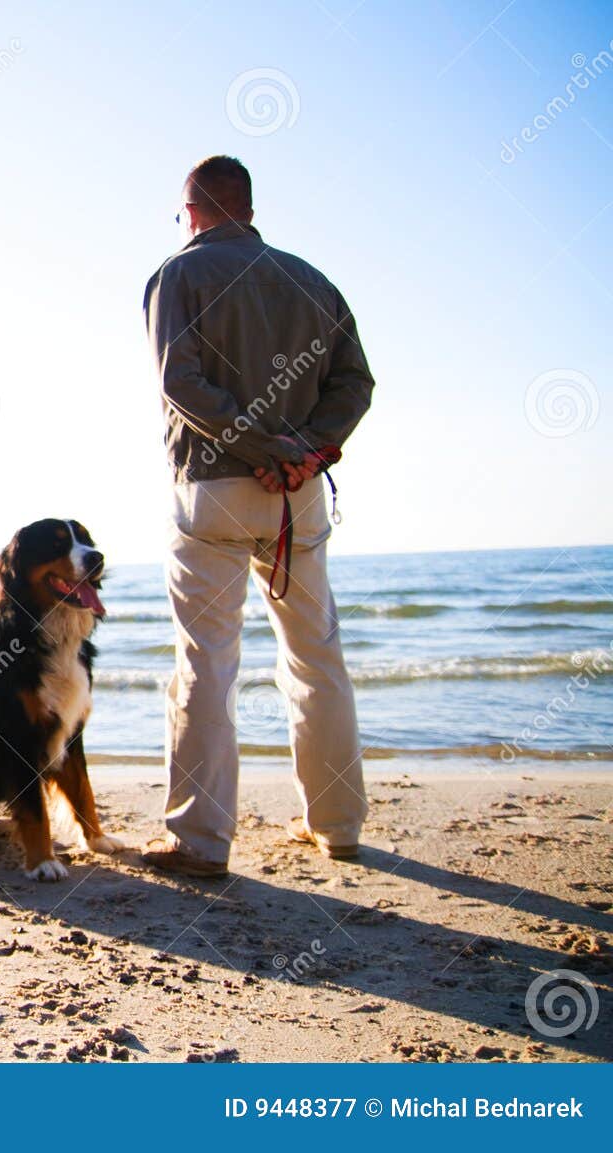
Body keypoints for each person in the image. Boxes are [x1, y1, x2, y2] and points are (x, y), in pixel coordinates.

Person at [140, 155, 374, 878]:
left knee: (207, 660)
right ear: (248, 205)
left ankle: (201, 841)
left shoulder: (177, 275)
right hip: (295, 495)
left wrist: (259, 443)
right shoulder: (313, 280)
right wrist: (302, 449)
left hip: (212, 488)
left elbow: (181, 382)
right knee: (315, 649)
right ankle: (336, 826)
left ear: (193, 209)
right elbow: (354, 382)